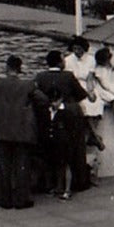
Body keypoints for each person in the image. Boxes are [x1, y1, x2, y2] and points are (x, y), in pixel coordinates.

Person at [0, 55, 46, 210]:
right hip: (23, 131)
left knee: (4, 167)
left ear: (7, 68)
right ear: (20, 68)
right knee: (22, 166)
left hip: (1, 129)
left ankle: (5, 199)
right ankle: (21, 199)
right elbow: (43, 101)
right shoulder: (28, 85)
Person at [34, 51, 92, 199]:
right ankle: (73, 184)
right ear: (60, 62)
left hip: (47, 119)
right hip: (68, 119)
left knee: (50, 154)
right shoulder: (68, 76)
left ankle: (51, 185)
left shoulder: (40, 77)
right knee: (72, 154)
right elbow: (81, 94)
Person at [62, 37, 104, 151]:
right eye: (74, 49)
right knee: (84, 104)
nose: (77, 51)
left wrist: (90, 92)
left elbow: (90, 78)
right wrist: (84, 93)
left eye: (79, 49)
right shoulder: (68, 60)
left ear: (84, 48)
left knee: (97, 102)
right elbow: (71, 80)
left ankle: (92, 135)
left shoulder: (91, 60)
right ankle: (95, 136)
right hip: (75, 86)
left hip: (86, 84)